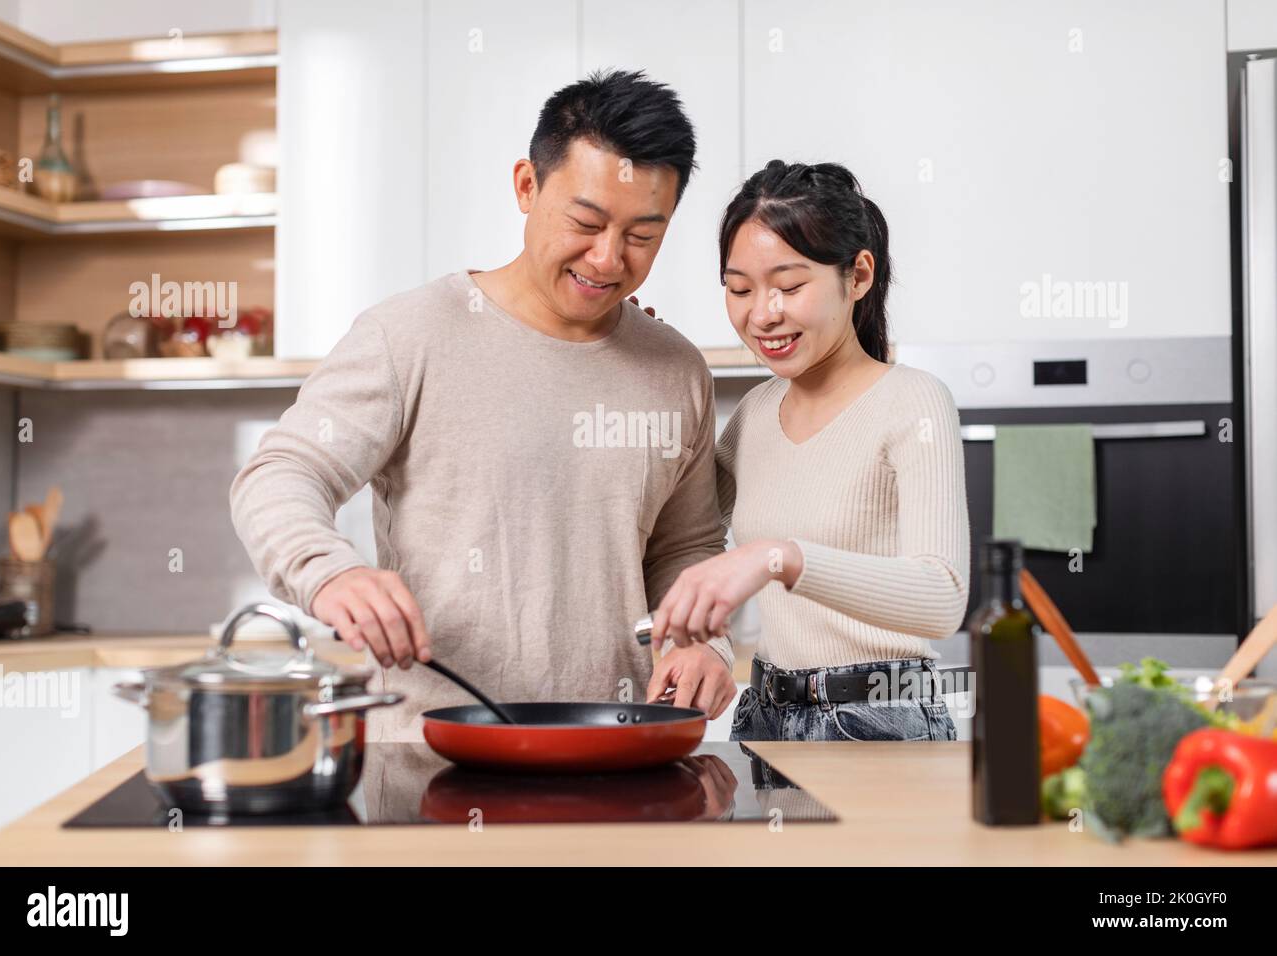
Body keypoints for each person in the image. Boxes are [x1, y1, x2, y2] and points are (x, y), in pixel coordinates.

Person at [231, 70, 737, 740]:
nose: (609, 258)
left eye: (643, 235)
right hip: (432, 764)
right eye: (585, 222)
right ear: (527, 186)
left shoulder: (676, 370)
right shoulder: (410, 335)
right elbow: (280, 476)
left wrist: (702, 643)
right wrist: (330, 574)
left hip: (615, 755)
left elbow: (686, 547)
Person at [647, 160, 969, 742]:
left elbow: (942, 597)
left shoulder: (914, 401)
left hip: (880, 717)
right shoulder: (753, 413)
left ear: (859, 276)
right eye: (739, 288)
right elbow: (680, 535)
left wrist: (782, 557)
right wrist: (639, 376)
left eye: (790, 286)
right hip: (766, 712)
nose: (762, 313)